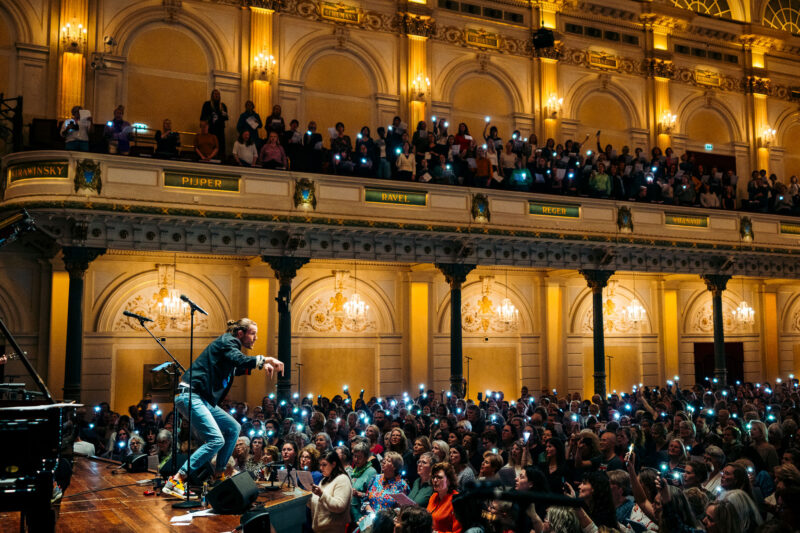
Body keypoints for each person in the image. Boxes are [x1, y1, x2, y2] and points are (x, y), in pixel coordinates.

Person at [162, 318, 283, 498]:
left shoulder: (228, 348)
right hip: (191, 395)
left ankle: (218, 475)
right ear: (240, 334)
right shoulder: (229, 341)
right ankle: (176, 480)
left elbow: (235, 367)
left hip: (201, 399)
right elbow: (237, 359)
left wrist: (258, 365)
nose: (255, 338)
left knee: (233, 427)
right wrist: (266, 359)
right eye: (252, 334)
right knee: (216, 440)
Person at [309, 451, 352, 533]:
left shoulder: (342, 479)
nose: (321, 468)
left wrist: (321, 494)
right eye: (320, 465)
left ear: (333, 464)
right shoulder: (324, 480)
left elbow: (339, 506)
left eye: (324, 465)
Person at [427, 462, 462, 533]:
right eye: (433, 477)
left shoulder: (458, 500)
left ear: (449, 481)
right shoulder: (433, 497)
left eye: (439, 477)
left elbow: (458, 531)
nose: (435, 480)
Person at [350, 440, 377, 522]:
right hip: (350, 510)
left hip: (362, 513)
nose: (356, 459)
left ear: (366, 458)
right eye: (355, 456)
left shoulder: (371, 472)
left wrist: (359, 493)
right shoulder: (355, 469)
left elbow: (374, 496)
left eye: (359, 457)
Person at [200, 89, 229, 160]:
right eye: (215, 94)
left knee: (220, 145)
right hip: (210, 129)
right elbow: (203, 117)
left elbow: (226, 117)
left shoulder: (222, 106)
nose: (217, 95)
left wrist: (223, 115)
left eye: (218, 94)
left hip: (220, 130)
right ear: (212, 95)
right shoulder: (207, 104)